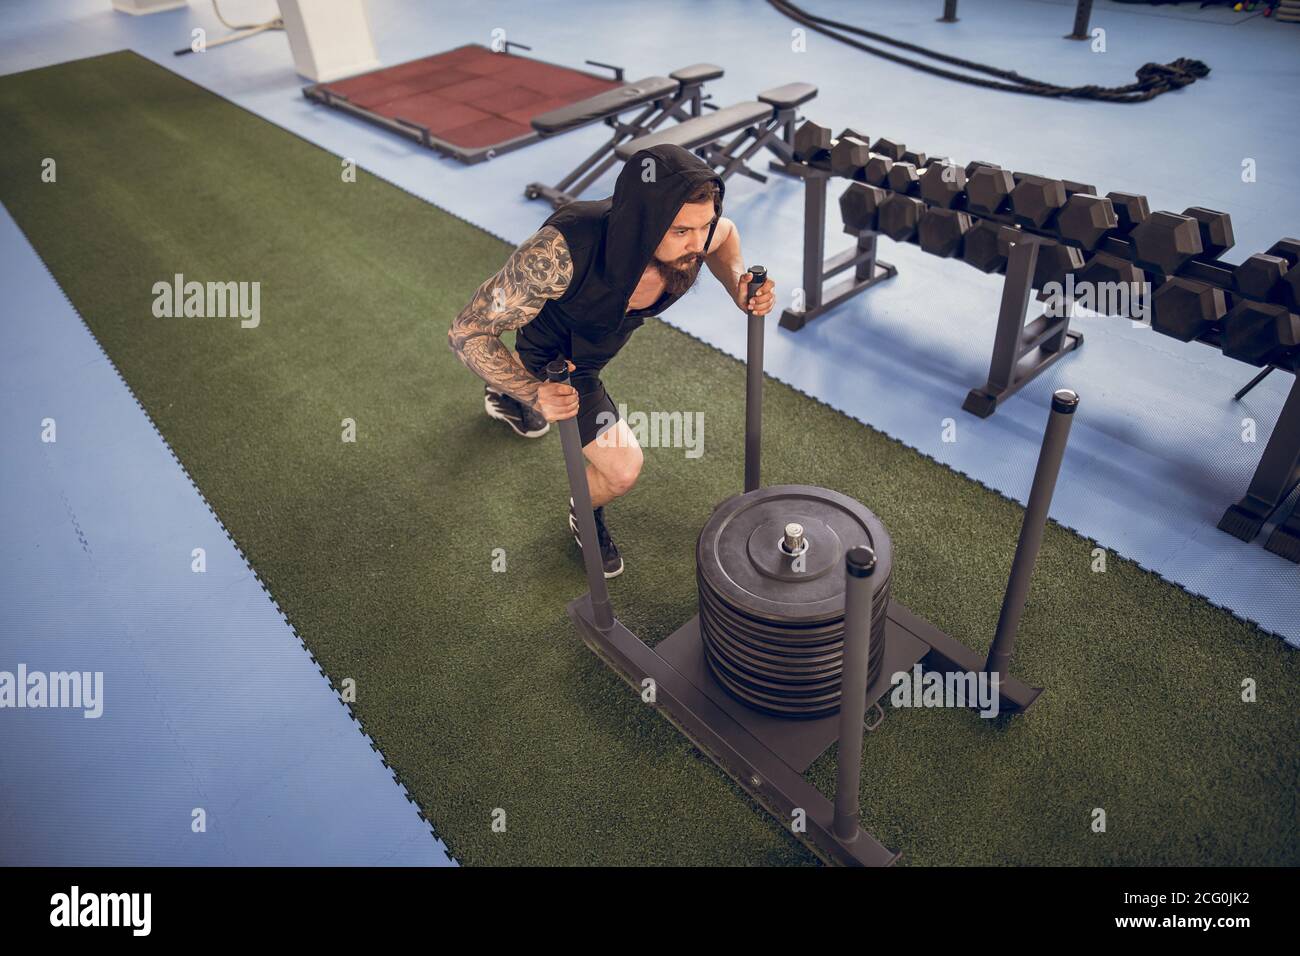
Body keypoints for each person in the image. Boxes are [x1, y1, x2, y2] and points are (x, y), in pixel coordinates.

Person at [448, 144, 776, 577]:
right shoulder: (561, 251)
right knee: (622, 471)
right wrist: (533, 389)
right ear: (643, 223)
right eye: (681, 231)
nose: (697, 244)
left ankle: (509, 393)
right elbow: (468, 330)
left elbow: (725, 237)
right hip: (554, 360)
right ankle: (575, 495)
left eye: (703, 226)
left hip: (601, 344)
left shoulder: (699, 234)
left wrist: (736, 281)